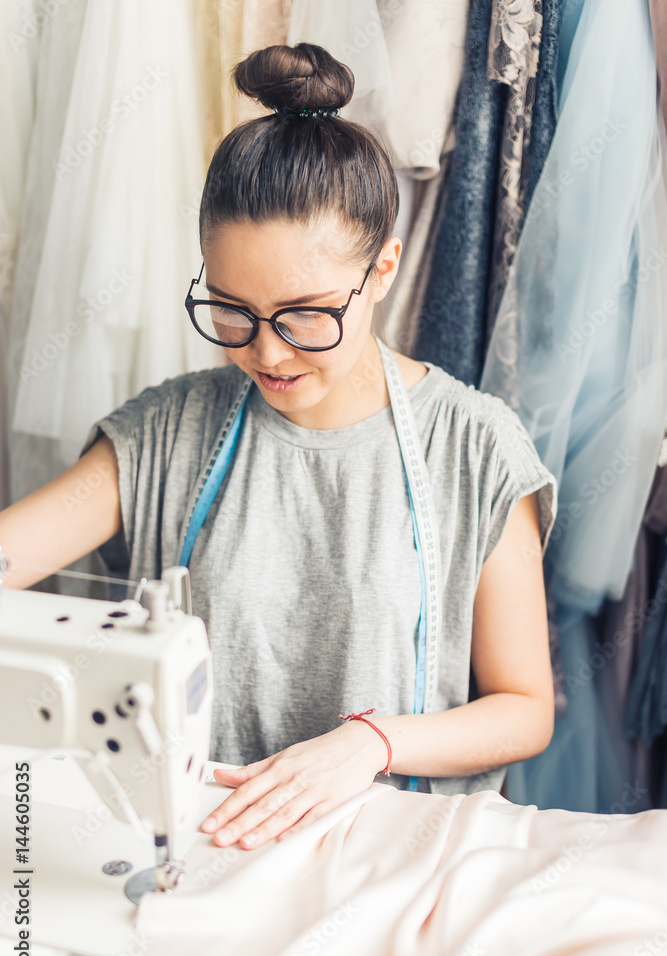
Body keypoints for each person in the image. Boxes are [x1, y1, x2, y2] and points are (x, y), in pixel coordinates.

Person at [0, 42, 558, 852]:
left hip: (386, 853)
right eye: (230, 311)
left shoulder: (474, 447)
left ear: (382, 272)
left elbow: (523, 707)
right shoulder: (168, 432)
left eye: (303, 316)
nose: (265, 353)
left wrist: (374, 742)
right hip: (199, 846)